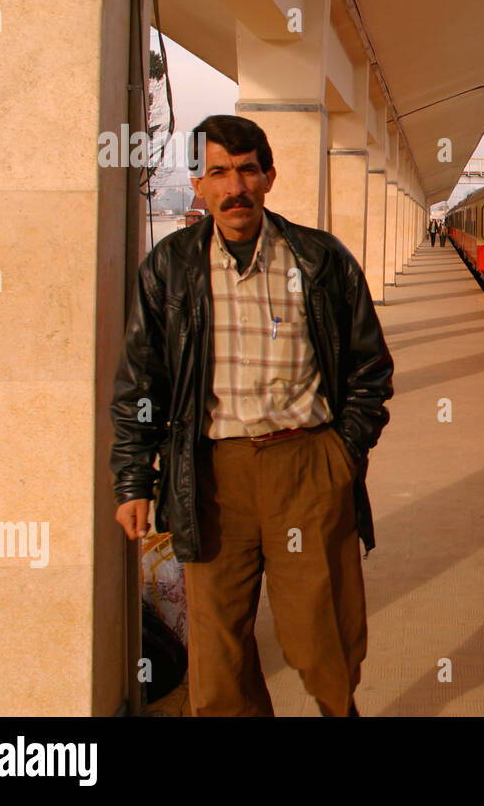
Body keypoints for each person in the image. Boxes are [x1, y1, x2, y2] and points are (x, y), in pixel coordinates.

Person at [109, 114, 394, 717]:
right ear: (198, 185)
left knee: (323, 637)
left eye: (245, 170)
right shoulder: (170, 268)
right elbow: (141, 380)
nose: (233, 186)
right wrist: (135, 479)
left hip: (307, 466)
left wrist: (342, 455)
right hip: (211, 477)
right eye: (218, 172)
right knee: (218, 659)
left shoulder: (319, 260)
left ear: (268, 177)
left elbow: (371, 369)